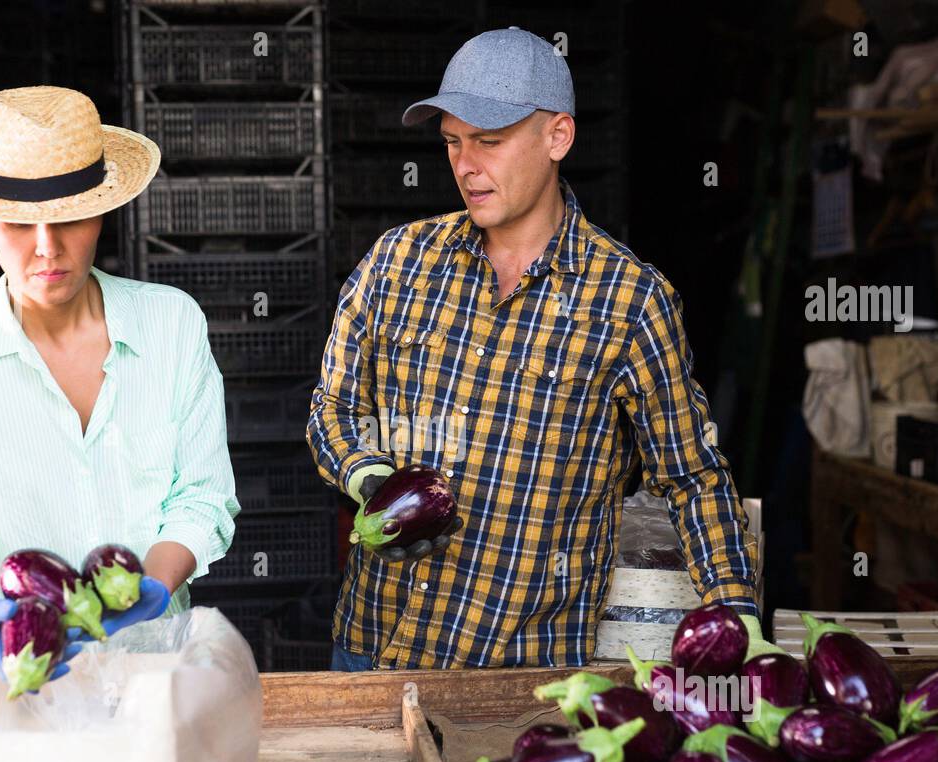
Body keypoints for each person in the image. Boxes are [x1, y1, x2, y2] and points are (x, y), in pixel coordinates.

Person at [308, 28, 760, 671]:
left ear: (558, 138)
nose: (466, 164)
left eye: (489, 142)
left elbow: (691, 476)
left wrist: (738, 613)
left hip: (521, 675)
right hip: (373, 646)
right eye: (452, 142)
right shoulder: (396, 262)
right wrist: (371, 479)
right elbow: (333, 408)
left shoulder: (630, 301)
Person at [0, 86, 238, 679]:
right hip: (0, 679)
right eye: (17, 223)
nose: (46, 248)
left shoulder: (171, 325)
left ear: (104, 209)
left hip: (149, 674)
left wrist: (154, 586)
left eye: (70, 217)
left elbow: (202, 497)